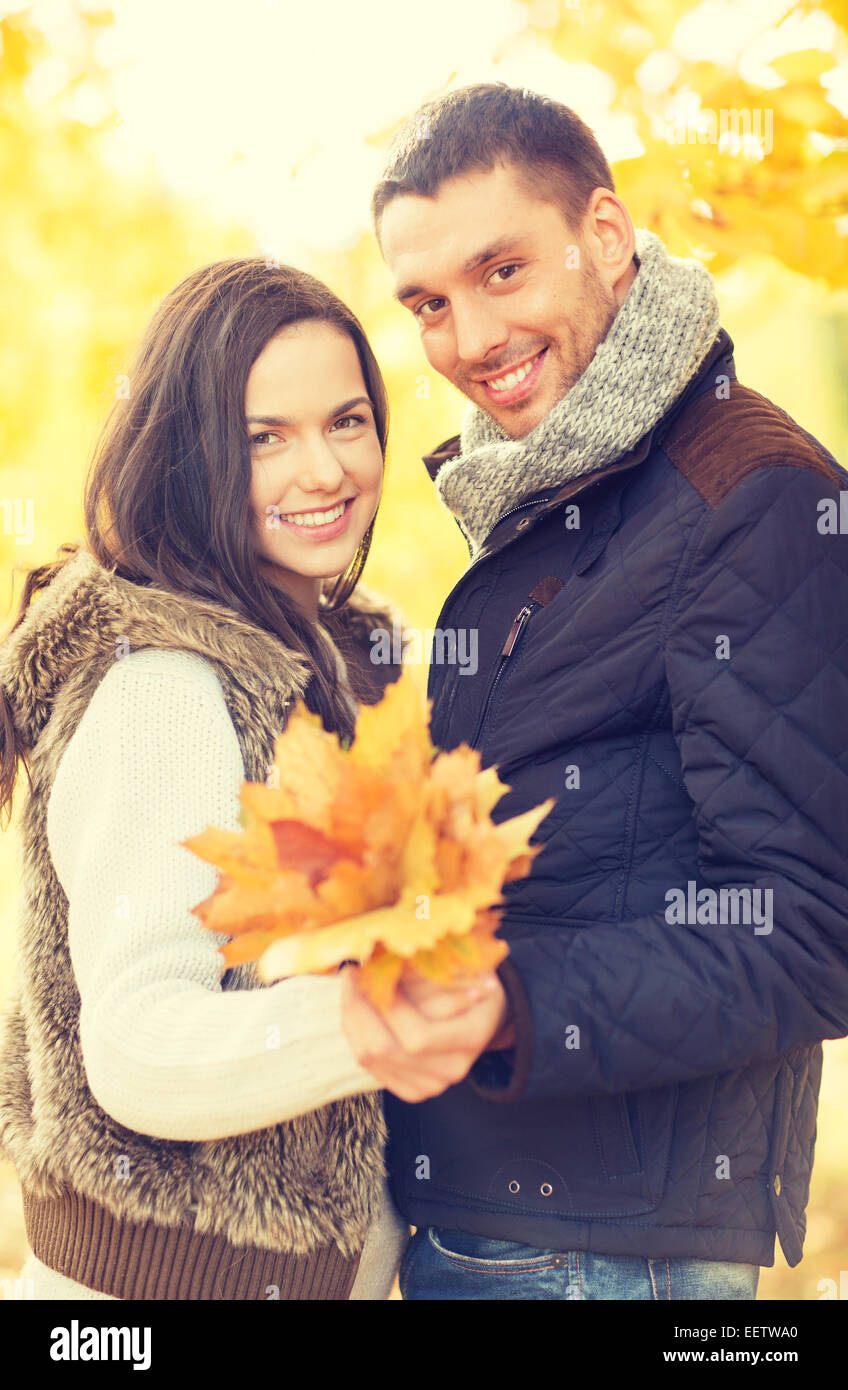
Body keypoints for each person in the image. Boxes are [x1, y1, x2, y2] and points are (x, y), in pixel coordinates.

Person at [337, 82, 848, 1300]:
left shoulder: (748, 498)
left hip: (599, 1249)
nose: (465, 339)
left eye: (499, 271)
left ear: (605, 240)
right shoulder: (570, 490)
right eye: (427, 305)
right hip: (510, 1214)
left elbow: (809, 929)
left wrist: (509, 1004)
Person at [0, 256, 495, 1300]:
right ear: (185, 454)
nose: (321, 471)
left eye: (346, 421)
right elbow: (135, 1047)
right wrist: (372, 1024)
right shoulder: (165, 682)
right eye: (261, 437)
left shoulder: (355, 657)